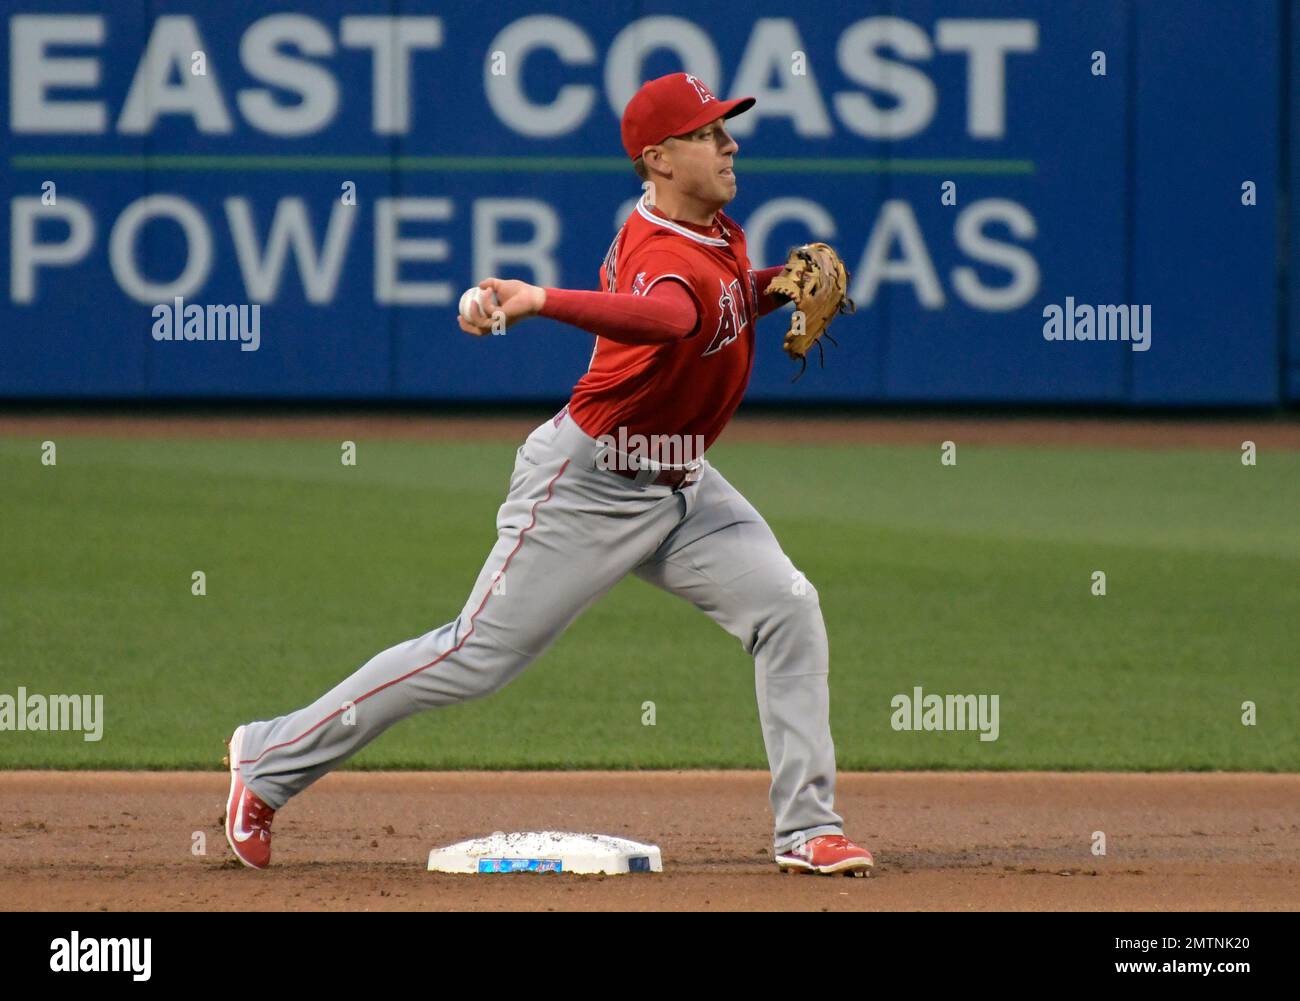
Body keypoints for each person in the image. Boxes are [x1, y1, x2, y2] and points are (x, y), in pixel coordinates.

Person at [225, 72, 874, 877]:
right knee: (470, 657)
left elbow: (714, 304)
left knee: (787, 607)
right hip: (588, 486)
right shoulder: (663, 253)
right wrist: (537, 298)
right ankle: (266, 758)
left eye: (724, 128)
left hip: (682, 482)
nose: (729, 142)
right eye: (709, 133)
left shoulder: (710, 231)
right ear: (659, 158)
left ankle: (808, 828)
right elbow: (672, 315)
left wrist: (772, 286)